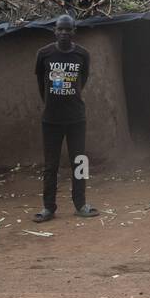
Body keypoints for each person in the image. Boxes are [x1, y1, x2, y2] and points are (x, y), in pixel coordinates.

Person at [33, 15, 99, 222]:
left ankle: (80, 204)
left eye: (67, 29)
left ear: (73, 32)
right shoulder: (44, 54)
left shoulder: (82, 54)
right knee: (50, 165)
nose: (63, 33)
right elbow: (41, 84)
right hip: (51, 120)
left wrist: (69, 98)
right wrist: (52, 102)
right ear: (54, 31)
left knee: (79, 162)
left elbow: (83, 80)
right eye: (60, 29)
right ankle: (48, 208)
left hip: (76, 119)